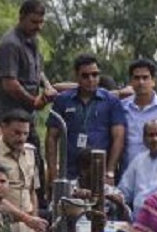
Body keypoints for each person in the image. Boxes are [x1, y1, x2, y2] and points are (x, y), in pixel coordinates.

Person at [47, 54, 126, 184]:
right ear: (76, 76)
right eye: (85, 76)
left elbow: (119, 138)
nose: (91, 79)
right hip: (69, 172)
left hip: (100, 171)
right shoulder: (63, 100)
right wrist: (53, 174)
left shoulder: (111, 101)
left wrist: (110, 172)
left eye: (95, 75)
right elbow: (51, 137)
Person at [0, 0, 58, 122]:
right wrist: (34, 102)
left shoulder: (33, 40)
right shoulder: (10, 44)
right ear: (21, 18)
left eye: (41, 22)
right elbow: (10, 84)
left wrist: (47, 86)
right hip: (6, 118)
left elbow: (38, 72)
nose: (39, 27)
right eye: (34, 22)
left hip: (26, 116)